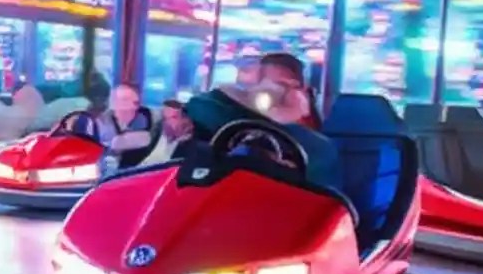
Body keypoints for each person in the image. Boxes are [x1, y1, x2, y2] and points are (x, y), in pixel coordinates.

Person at [186, 52, 341, 189]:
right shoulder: (214, 108)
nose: (280, 92)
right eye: (277, 84)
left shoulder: (315, 143)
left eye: (288, 85)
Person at [137, 99, 196, 167]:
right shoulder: (156, 133)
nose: (167, 123)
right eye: (165, 118)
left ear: (185, 120)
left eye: (173, 118)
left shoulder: (190, 147)